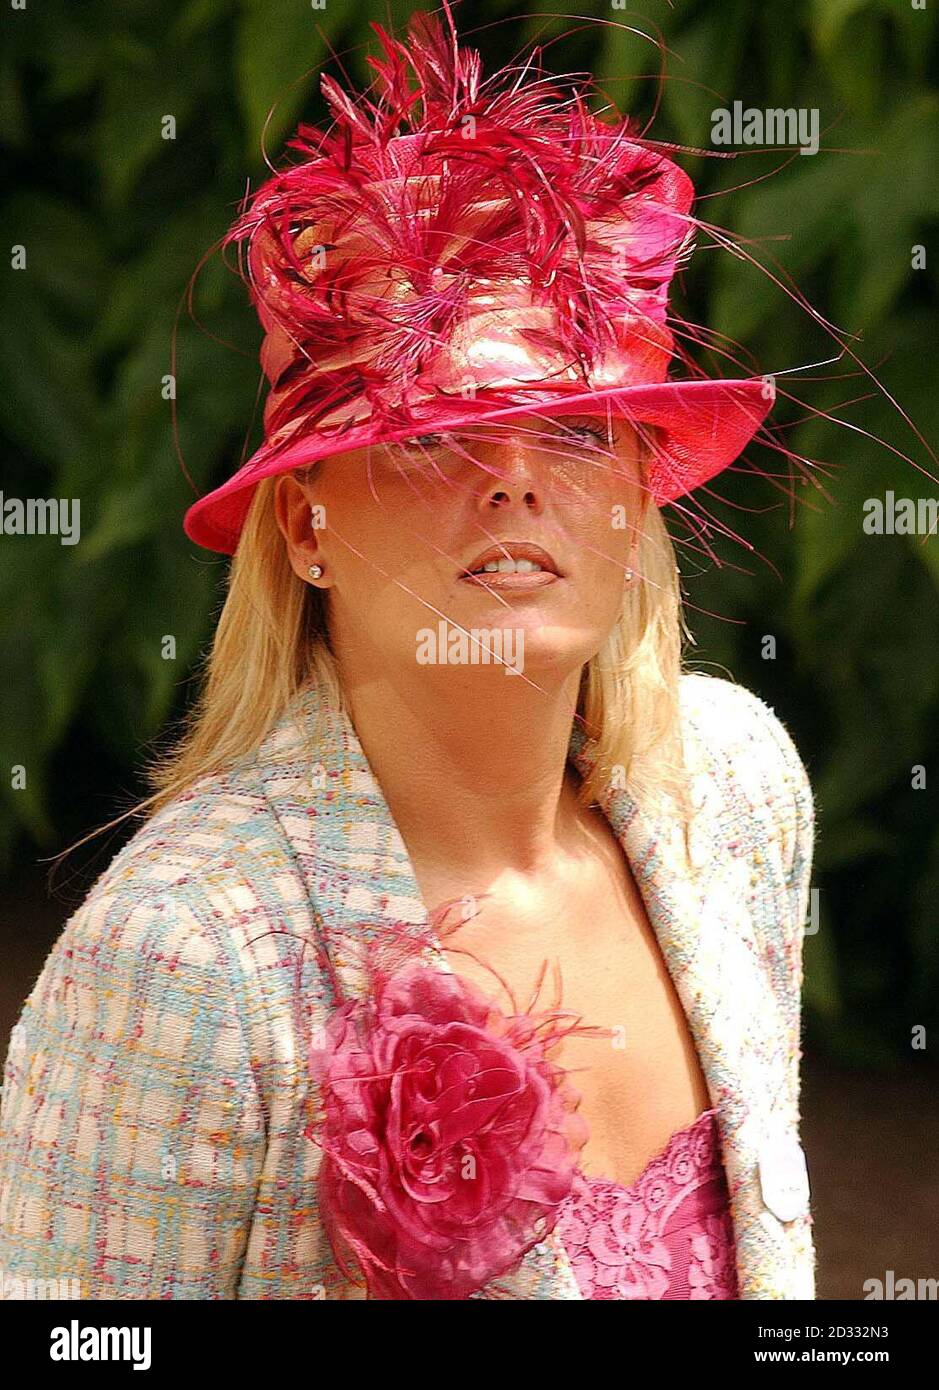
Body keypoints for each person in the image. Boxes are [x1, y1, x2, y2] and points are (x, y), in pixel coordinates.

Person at [0, 4, 815, 1299]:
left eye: (578, 429)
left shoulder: (738, 798)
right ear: (309, 520)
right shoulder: (184, 957)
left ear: (640, 493)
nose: (514, 481)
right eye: (438, 431)